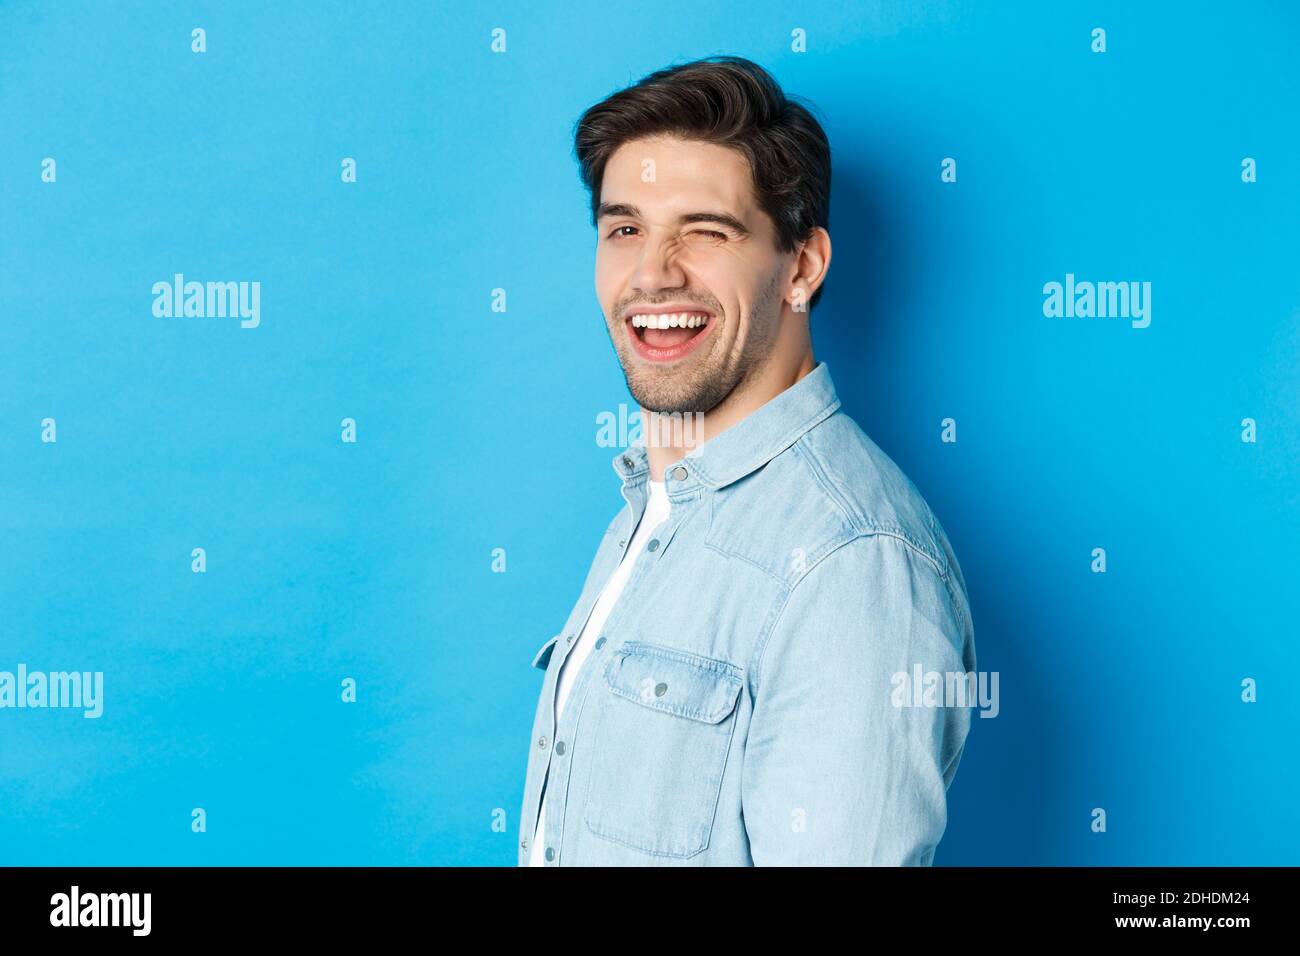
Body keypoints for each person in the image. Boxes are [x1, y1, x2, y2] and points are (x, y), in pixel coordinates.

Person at [519, 55, 976, 866]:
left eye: (705, 230)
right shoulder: (653, 510)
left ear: (802, 265)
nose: (652, 274)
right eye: (625, 228)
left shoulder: (853, 564)